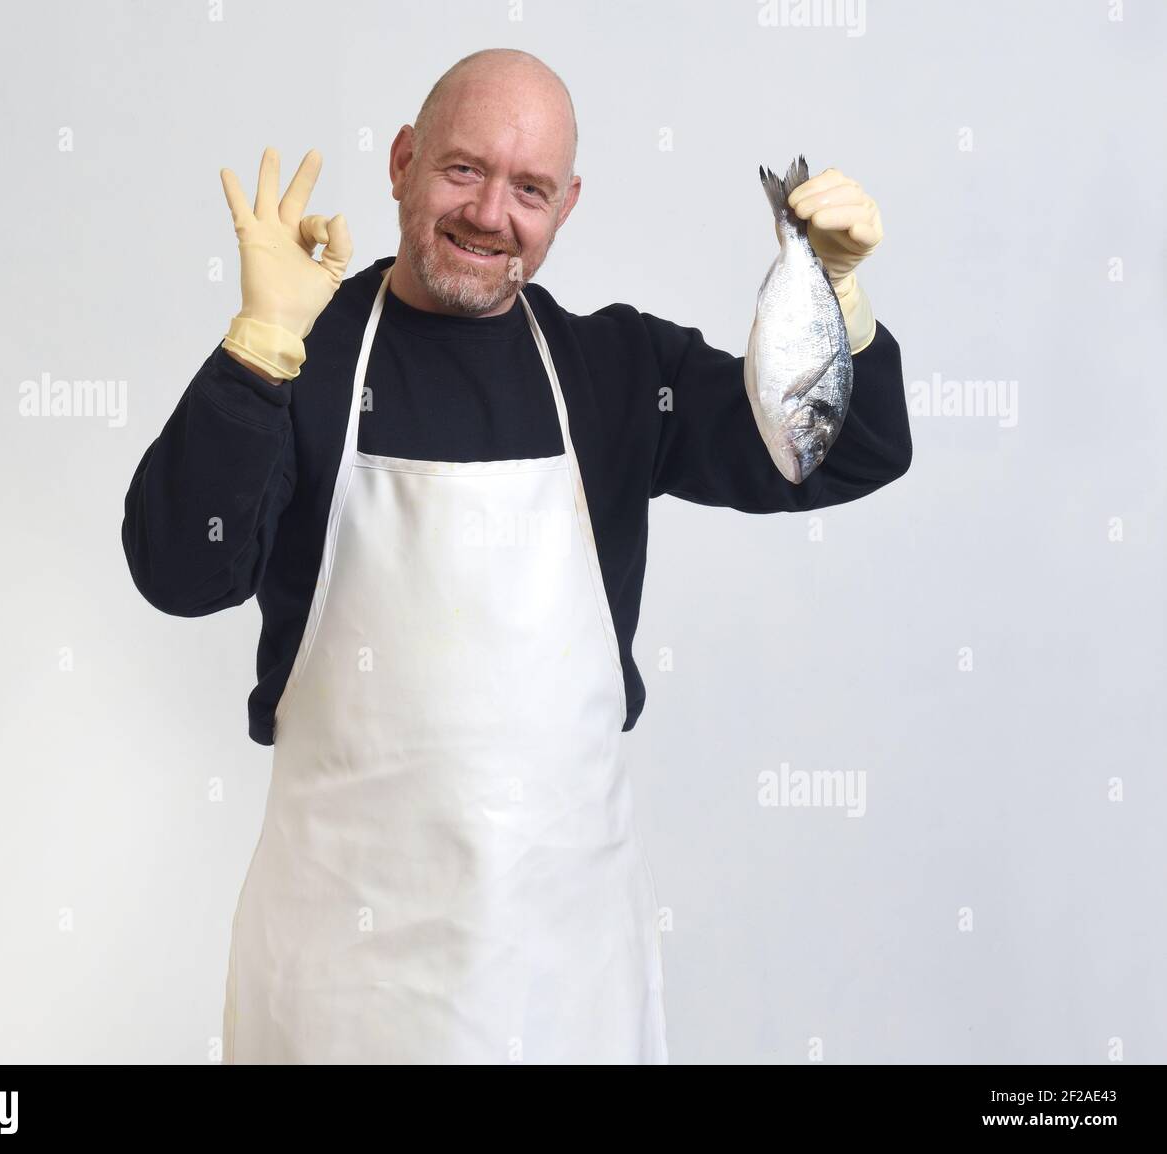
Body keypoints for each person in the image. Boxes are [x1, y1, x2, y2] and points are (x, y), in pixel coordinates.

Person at [121, 47, 911, 1064]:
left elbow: (837, 459)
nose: (491, 213)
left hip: (562, 969)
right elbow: (181, 571)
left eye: (529, 188)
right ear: (403, 161)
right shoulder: (302, 363)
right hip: (338, 971)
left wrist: (837, 305)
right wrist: (259, 344)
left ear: (565, 205)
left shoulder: (622, 373)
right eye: (461, 170)